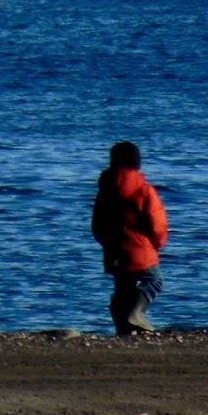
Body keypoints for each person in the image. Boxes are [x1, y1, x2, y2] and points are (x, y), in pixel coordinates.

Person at [91, 140, 169, 335]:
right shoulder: (144, 191)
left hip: (113, 250)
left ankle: (123, 328)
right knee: (154, 281)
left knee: (123, 289)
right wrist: (157, 243)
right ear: (136, 163)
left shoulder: (105, 191)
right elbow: (156, 224)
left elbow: (97, 224)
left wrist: (107, 242)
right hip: (139, 249)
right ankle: (136, 313)